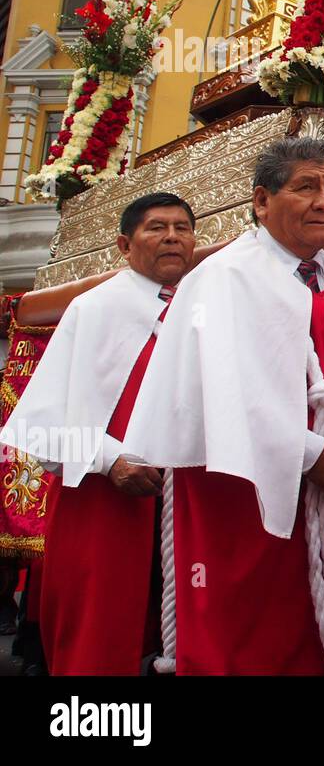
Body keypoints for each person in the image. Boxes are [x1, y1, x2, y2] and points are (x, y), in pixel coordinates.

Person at [123, 138, 324, 675]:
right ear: (261, 200)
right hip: (250, 512)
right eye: (306, 187)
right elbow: (211, 396)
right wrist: (306, 453)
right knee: (258, 644)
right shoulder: (224, 278)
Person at [0, 192, 196, 675]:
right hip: (106, 504)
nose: (172, 236)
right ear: (124, 246)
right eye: (157, 227)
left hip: (193, 505)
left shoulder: (207, 307)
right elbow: (38, 426)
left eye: (182, 228)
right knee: (101, 644)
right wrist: (112, 462)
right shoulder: (93, 310)